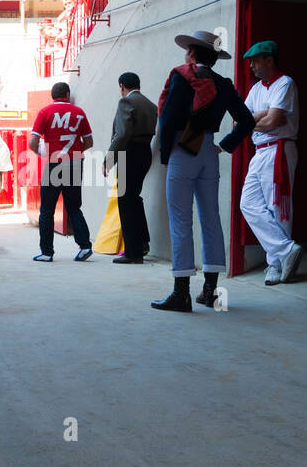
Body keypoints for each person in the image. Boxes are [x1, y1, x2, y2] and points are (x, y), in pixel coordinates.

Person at [151, 30, 255, 312]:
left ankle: (181, 293)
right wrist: (225, 145)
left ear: (193, 54)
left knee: (181, 222)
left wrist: (165, 155)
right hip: (209, 150)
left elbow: (170, 117)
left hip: (183, 151)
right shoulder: (223, 83)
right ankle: (210, 291)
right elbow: (246, 121)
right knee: (211, 218)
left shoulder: (182, 76)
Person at [239, 40, 304, 284]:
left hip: (279, 148)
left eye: (256, 61)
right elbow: (239, 120)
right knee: (248, 204)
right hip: (260, 151)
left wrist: (256, 119)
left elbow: (274, 121)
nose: (252, 66)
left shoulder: (284, 83)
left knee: (279, 208)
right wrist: (260, 117)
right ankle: (286, 251)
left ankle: (275, 265)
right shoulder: (256, 89)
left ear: (269, 60)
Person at [29, 82, 94, 262]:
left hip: (54, 164)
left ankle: (47, 252)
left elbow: (32, 143)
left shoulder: (45, 113)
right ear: (67, 94)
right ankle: (85, 246)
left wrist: (45, 153)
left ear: (52, 96)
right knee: (74, 207)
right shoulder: (79, 112)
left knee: (47, 209)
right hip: (74, 163)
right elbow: (89, 142)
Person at [106, 71, 157, 264]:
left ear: (122, 86)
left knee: (125, 200)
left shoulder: (126, 102)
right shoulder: (151, 105)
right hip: (145, 152)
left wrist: (108, 161)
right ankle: (142, 243)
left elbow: (122, 134)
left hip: (130, 153)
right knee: (134, 198)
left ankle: (133, 252)